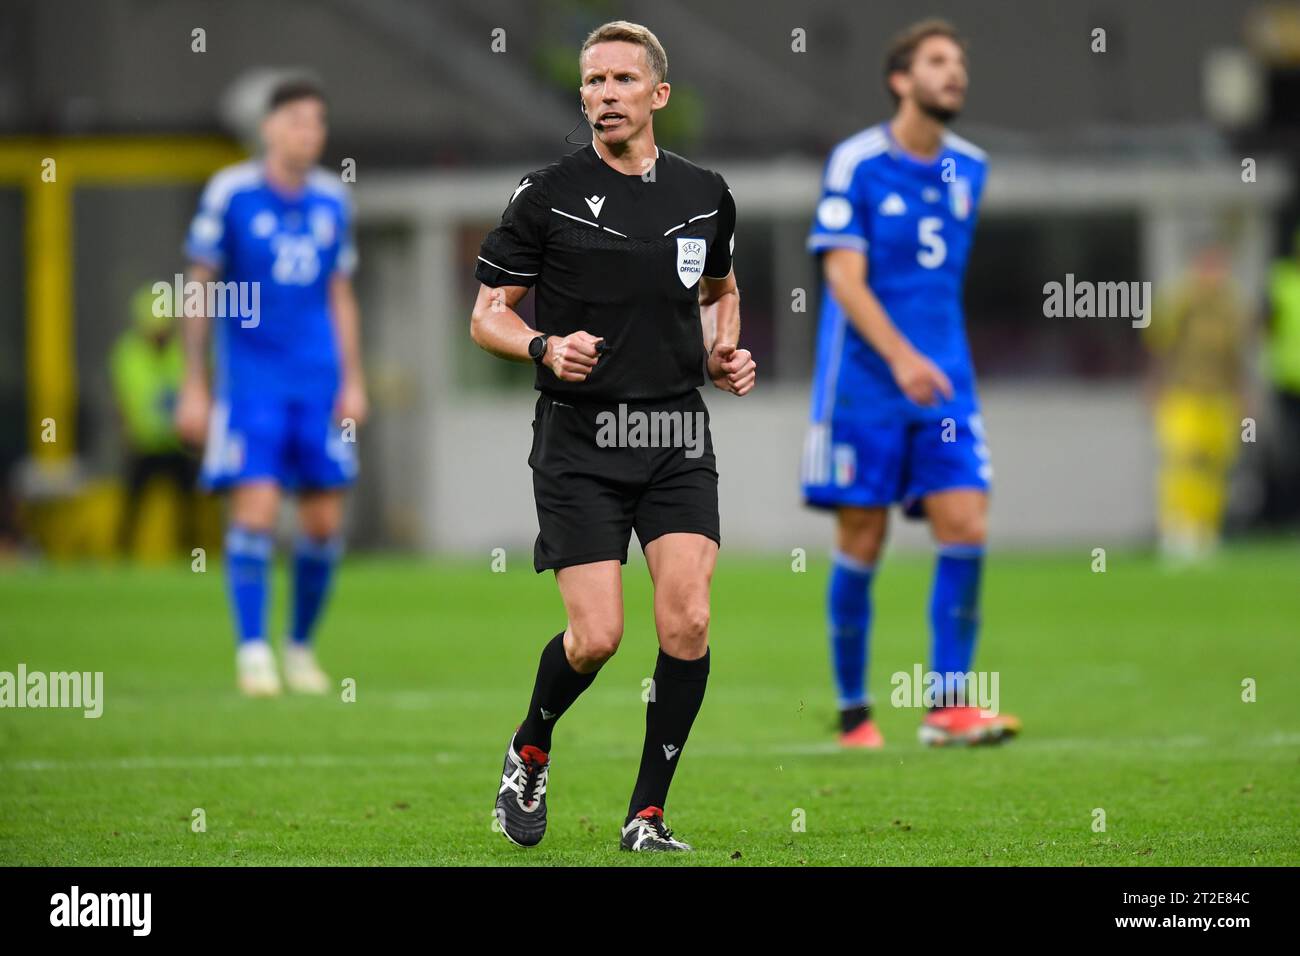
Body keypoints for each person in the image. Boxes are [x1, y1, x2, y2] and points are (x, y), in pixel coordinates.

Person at [470, 20, 756, 852]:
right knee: (597, 636)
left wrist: (724, 350)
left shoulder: (705, 193)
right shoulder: (546, 193)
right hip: (580, 440)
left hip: (673, 430)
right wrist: (542, 346)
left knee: (689, 622)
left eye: (622, 81)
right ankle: (530, 748)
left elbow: (721, 287)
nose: (603, 96)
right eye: (592, 83)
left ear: (658, 95)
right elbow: (486, 314)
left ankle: (648, 813)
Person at [801, 19, 1020, 748]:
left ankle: (948, 706)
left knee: (967, 525)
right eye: (936, 62)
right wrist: (898, 356)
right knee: (864, 536)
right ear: (902, 79)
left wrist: (931, 360)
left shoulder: (972, 168)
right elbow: (842, 276)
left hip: (945, 384)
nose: (954, 73)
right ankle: (856, 711)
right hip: (864, 384)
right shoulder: (857, 163)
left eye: (959, 62)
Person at [174, 77, 367, 697]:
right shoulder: (232, 193)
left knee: (320, 526)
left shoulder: (332, 201)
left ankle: (301, 647)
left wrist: (354, 380)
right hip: (252, 383)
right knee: (255, 513)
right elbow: (200, 286)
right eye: (295, 121)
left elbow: (339, 294)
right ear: (268, 128)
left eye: (316, 123)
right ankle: (253, 651)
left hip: (318, 384)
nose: (307, 133)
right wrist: (194, 386)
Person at [1145, 242, 1250, 561]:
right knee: (1181, 461)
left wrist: (1242, 394)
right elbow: (1160, 344)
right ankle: (1177, 529)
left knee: (1215, 464)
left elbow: (1237, 358)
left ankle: (1205, 529)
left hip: (1218, 395)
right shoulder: (1180, 300)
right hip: (1183, 391)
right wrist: (1155, 384)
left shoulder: (1233, 307)